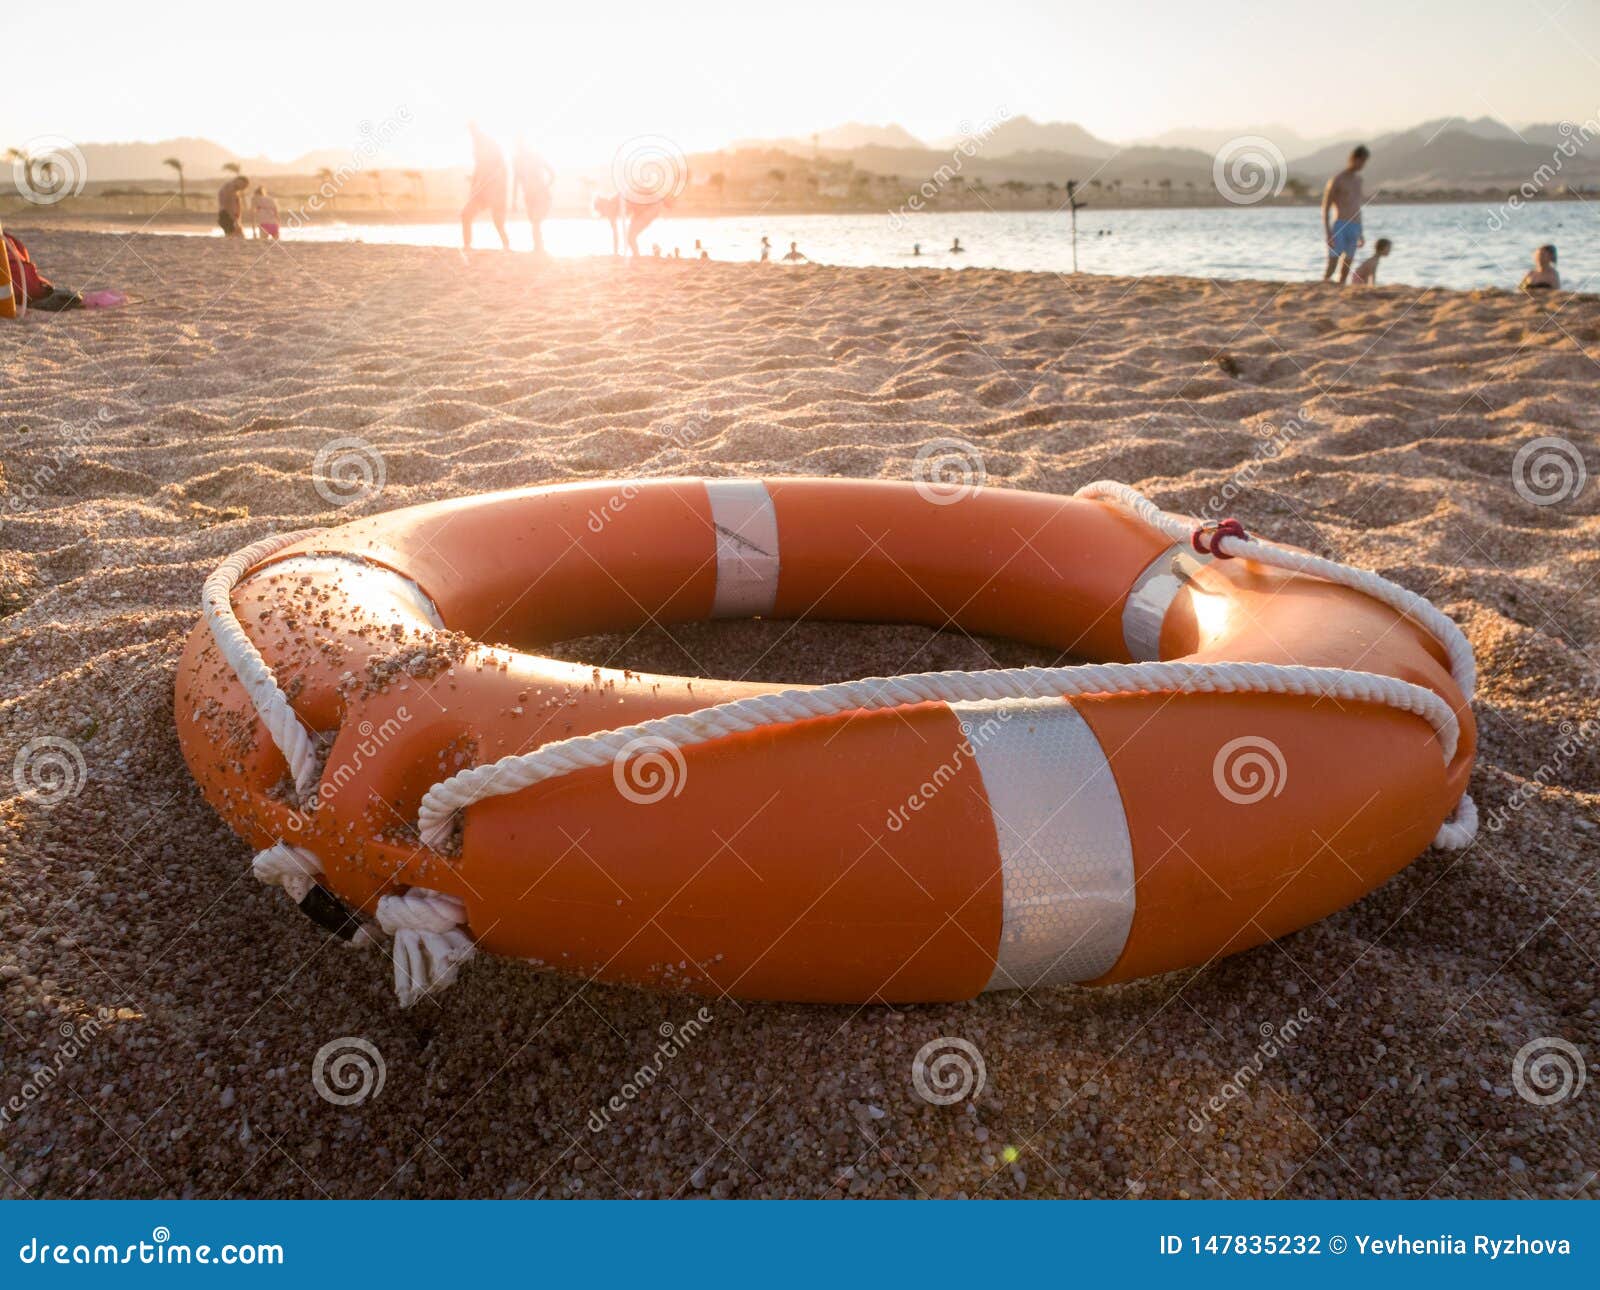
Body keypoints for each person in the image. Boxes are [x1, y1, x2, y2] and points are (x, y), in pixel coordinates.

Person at [1321, 144, 1370, 283]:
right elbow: (1325, 207)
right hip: (1340, 225)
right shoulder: (1337, 180)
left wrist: (1361, 231)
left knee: (1347, 266)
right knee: (1332, 263)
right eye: (1361, 161)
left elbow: (1357, 207)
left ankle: (1339, 290)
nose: (1362, 165)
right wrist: (1328, 232)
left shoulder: (1359, 181)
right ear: (1353, 159)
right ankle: (1324, 285)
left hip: (1354, 226)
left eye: (1365, 162)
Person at [3, 230, 83, 311]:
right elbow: (23, 258)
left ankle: (43, 293)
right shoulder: (8, 239)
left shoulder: (7, 239)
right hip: (28, 286)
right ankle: (44, 292)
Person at [461, 123, 510, 252]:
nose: (471, 133)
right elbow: (479, 167)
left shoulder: (490, 143)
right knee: (465, 215)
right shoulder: (475, 145)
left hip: (495, 190)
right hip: (480, 190)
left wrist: (494, 183)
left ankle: (506, 247)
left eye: (473, 129)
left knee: (498, 223)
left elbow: (501, 166)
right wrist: (473, 182)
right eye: (469, 130)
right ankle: (467, 246)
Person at [512, 140, 555, 255]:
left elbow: (552, 173)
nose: (520, 149)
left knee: (536, 221)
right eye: (518, 147)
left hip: (540, 194)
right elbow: (516, 181)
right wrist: (514, 200)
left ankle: (539, 248)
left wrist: (545, 186)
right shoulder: (517, 161)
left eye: (521, 146)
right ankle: (538, 248)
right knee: (534, 222)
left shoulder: (536, 157)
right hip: (530, 195)